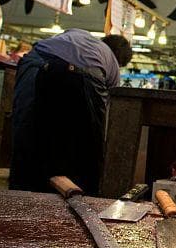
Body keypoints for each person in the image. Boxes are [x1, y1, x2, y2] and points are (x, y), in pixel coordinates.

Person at [10, 28, 133, 194]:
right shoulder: (111, 63)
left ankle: (19, 198)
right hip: (83, 74)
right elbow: (105, 116)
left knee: (26, 132)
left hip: (35, 62)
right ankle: (79, 203)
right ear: (120, 61)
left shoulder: (78, 33)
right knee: (86, 153)